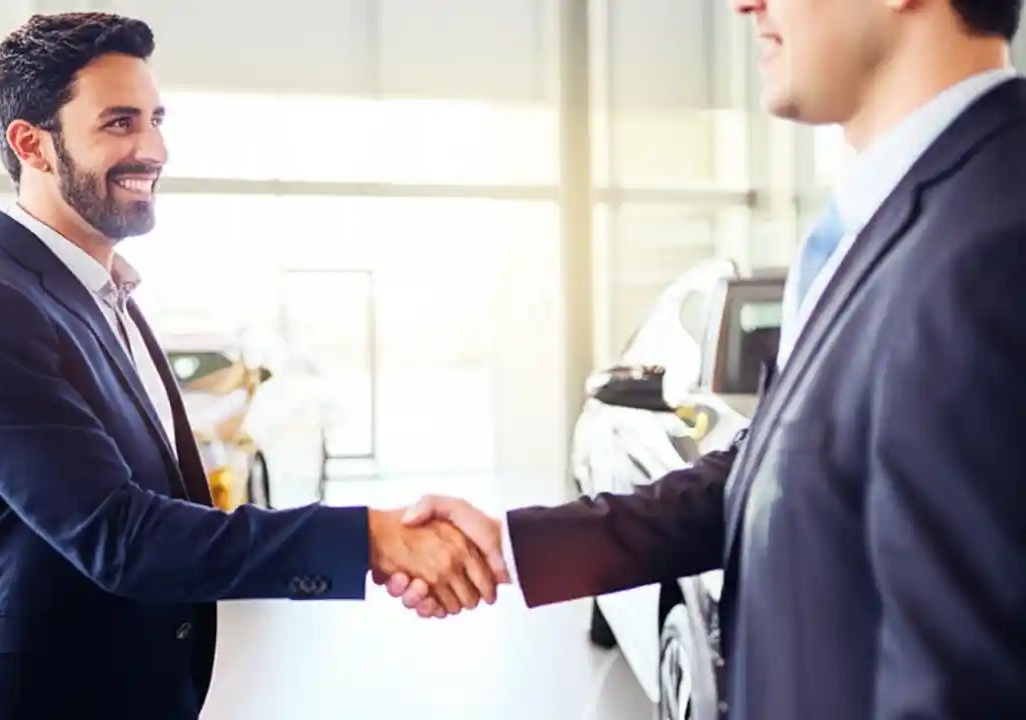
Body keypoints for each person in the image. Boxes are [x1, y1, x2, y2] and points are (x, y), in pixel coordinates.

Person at [392, 0, 1026, 717]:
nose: (744, 3)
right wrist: (513, 544)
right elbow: (776, 470)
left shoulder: (997, 241)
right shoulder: (894, 219)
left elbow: (969, 684)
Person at [0, 12, 505, 720]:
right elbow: (121, 537)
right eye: (120, 123)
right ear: (32, 144)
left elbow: (171, 516)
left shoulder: (104, 297)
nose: (153, 148)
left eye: (157, 119)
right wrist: (371, 537)